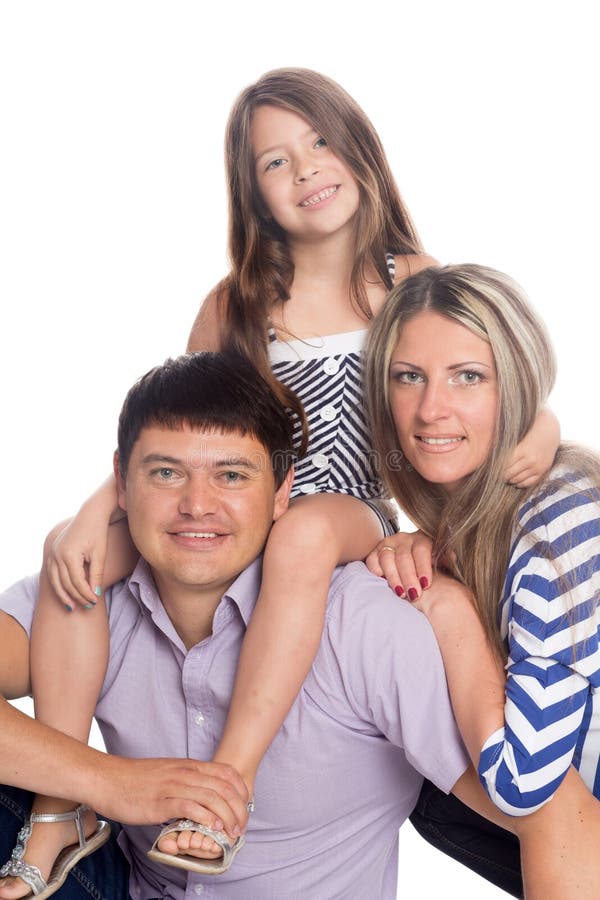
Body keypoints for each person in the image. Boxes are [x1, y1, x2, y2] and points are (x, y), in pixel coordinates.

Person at [7, 68, 559, 893]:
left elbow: (487, 383)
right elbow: (183, 424)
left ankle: (230, 777)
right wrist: (98, 509)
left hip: (349, 514)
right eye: (275, 161)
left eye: (321, 142)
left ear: (363, 155)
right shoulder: (236, 304)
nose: (304, 169)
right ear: (253, 192)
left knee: (302, 533)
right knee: (72, 561)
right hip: (253, 504)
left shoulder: (408, 279)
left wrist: (542, 431)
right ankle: (61, 806)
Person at [1, 349, 515, 900]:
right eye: (167, 473)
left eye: (231, 475)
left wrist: (456, 605)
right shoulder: (86, 593)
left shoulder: (361, 624)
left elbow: (530, 808)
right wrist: (109, 783)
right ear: (121, 487)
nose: (197, 505)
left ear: (280, 492)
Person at [364, 263, 600, 897]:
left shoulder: (562, 522)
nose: (431, 408)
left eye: (469, 376)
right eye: (409, 377)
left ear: (515, 384)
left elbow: (524, 782)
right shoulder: (474, 521)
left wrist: (448, 608)